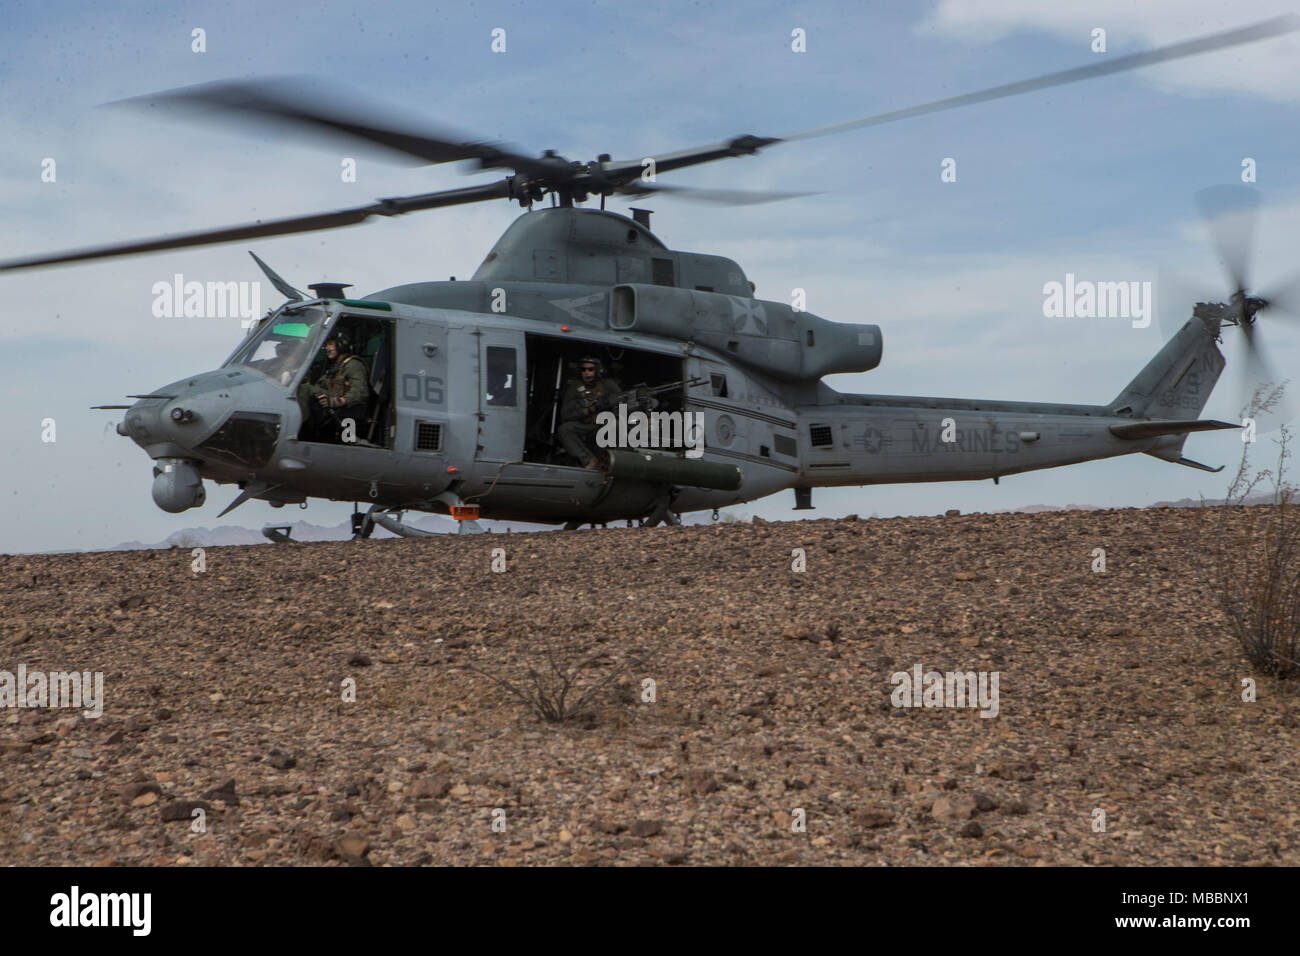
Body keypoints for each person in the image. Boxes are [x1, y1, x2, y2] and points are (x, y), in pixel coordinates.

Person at [296, 332, 369, 441]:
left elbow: (361, 392)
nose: (327, 348)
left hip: (345, 409)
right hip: (331, 408)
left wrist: (337, 401)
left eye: (330, 344)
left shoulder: (354, 365)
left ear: (341, 345)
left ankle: (298, 428)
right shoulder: (335, 367)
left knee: (305, 389)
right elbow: (318, 387)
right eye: (326, 345)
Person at [556, 356, 621, 469]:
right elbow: (565, 415)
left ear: (597, 370)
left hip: (603, 425)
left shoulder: (608, 385)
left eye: (590, 369)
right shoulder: (574, 388)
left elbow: (622, 401)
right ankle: (589, 460)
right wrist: (588, 410)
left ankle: (611, 461)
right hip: (584, 426)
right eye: (583, 369)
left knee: (617, 425)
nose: (586, 372)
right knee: (564, 429)